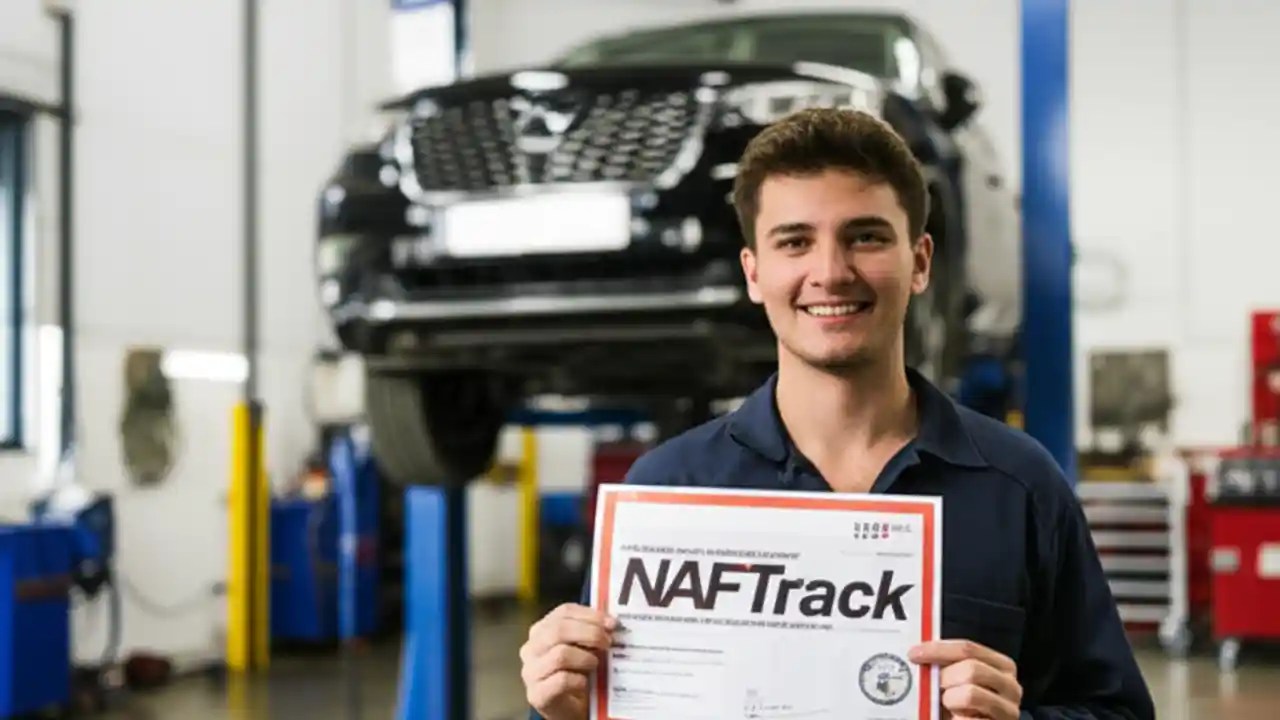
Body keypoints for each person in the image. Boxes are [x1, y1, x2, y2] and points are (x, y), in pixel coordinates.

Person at [519, 108, 1155, 720]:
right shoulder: (668, 493)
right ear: (754, 272)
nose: (830, 272)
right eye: (795, 242)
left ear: (921, 262)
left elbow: (1117, 709)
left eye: (867, 237)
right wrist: (562, 709)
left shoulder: (1017, 486)